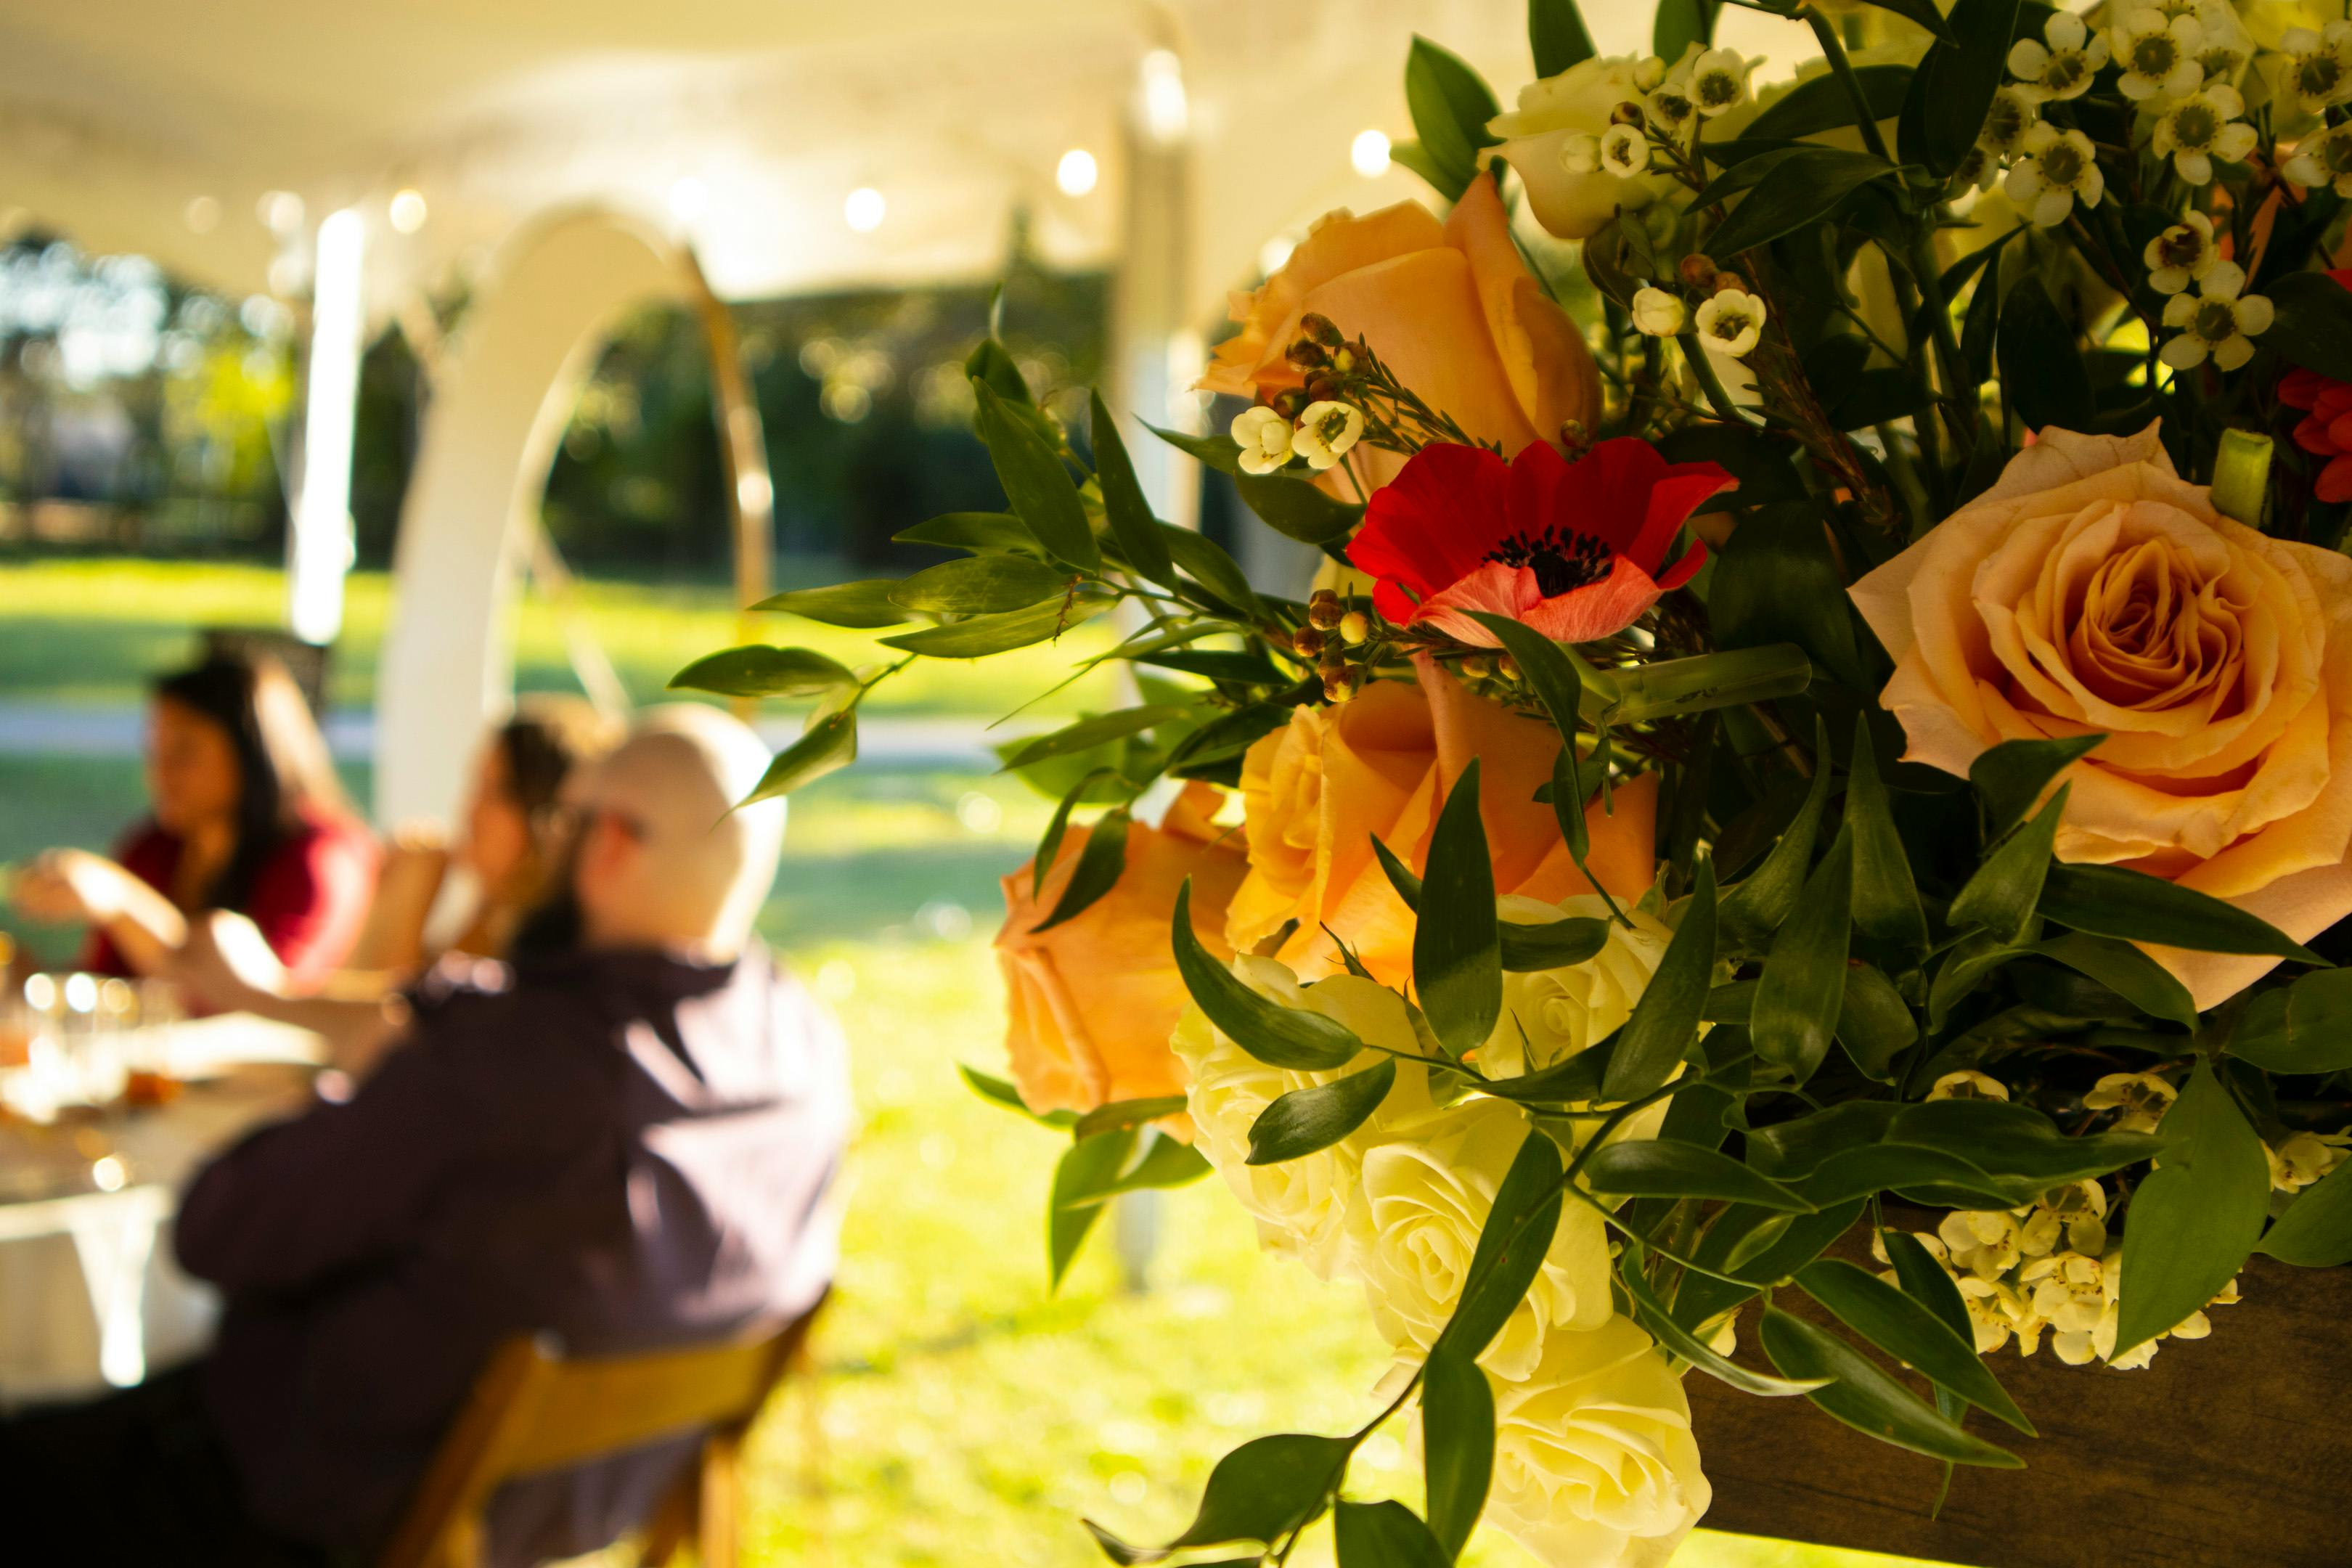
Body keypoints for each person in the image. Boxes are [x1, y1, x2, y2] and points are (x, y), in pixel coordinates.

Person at [0, 705, 851, 1568]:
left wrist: (350, 1097)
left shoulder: (515, 1053)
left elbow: (219, 1230)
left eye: (567, 823)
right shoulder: (805, 1048)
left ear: (612, 844)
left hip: (320, 1509)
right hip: (566, 1509)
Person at [8, 652, 377, 989]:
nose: (161, 773)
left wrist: (122, 901)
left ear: (255, 753)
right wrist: (30, 981)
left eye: (185, 752)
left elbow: (275, 1001)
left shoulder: (319, 857)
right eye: (155, 751)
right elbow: (112, 983)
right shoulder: (155, 847)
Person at [348, 696, 624, 973]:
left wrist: (407, 897)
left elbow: (396, 1012)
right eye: (477, 785)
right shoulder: (489, 919)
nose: (471, 809)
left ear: (551, 817)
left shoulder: (544, 955)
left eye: (494, 794)